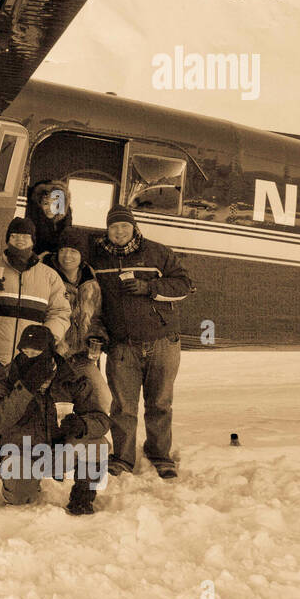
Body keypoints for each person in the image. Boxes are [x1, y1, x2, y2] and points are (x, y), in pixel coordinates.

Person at [91, 205, 193, 479]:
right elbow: (93, 301)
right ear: (107, 230)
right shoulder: (98, 261)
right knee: (123, 406)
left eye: (124, 226)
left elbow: (184, 285)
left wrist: (150, 288)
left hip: (162, 341)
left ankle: (160, 455)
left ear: (134, 228)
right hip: (123, 345)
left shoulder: (158, 252)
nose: (119, 231)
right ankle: (123, 458)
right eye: (114, 227)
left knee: (160, 402)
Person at [0, 216, 71, 486]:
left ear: (33, 241)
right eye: (15, 236)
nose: (20, 240)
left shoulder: (49, 276)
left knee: (27, 411)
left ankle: (17, 463)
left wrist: (46, 339)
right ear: (8, 238)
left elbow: (61, 312)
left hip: (30, 359)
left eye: (25, 236)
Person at [0, 324, 110, 514]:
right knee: (20, 500)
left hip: (58, 452)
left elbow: (101, 419)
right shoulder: (7, 376)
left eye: (36, 352)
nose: (30, 356)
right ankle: (21, 482)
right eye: (25, 351)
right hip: (21, 452)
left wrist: (82, 424)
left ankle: (82, 499)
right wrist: (25, 388)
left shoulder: (70, 377)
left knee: (97, 444)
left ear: (49, 352)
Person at [46, 226, 111, 414]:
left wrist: (95, 339)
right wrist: (54, 343)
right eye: (63, 250)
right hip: (52, 357)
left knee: (103, 401)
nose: (67, 256)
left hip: (81, 357)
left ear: (82, 255)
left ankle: (86, 440)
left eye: (73, 251)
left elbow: (97, 318)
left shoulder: (91, 283)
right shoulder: (47, 276)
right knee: (54, 409)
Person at [27, 179, 73, 257]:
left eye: (55, 204)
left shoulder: (65, 218)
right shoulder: (33, 220)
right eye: (46, 203)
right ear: (40, 204)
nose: (50, 208)